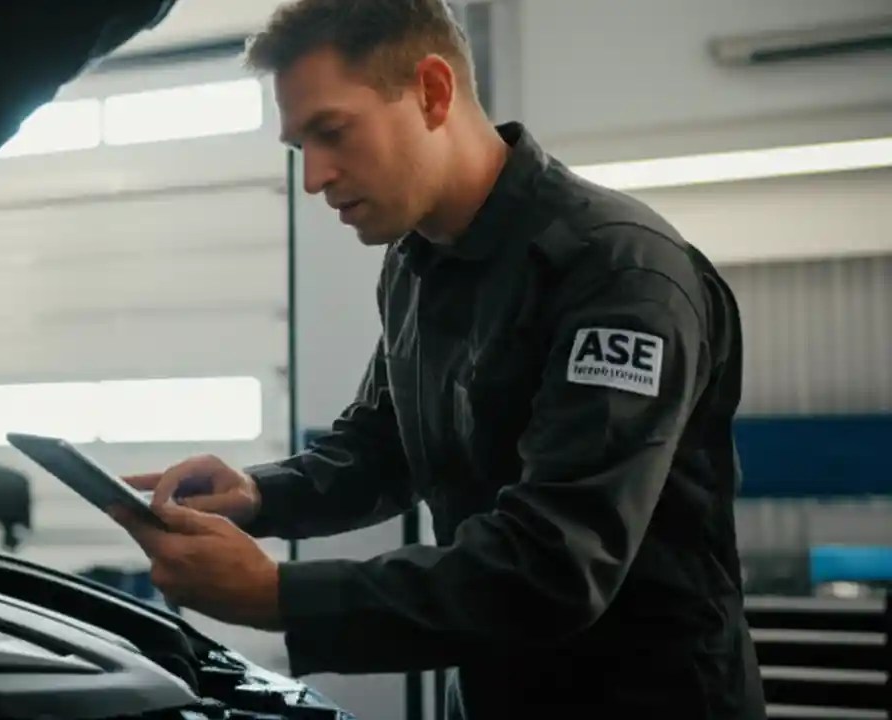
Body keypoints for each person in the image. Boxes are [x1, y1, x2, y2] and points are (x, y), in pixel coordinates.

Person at [110, 0, 766, 717]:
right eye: (301, 148)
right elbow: (383, 448)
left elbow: (554, 564)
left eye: (332, 132)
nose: (314, 178)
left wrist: (279, 596)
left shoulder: (619, 276)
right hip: (492, 693)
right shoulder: (415, 264)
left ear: (432, 91)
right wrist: (261, 496)